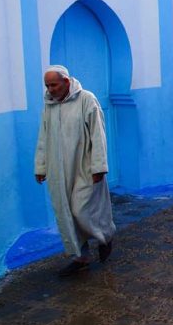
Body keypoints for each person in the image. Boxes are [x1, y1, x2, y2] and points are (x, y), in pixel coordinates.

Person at [34, 65, 116, 276]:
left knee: (81, 210)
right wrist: (41, 166)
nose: (50, 89)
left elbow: (98, 134)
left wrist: (99, 166)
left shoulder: (87, 99)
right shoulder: (49, 106)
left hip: (84, 167)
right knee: (66, 213)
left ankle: (105, 236)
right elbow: (43, 138)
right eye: (47, 85)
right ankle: (81, 257)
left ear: (66, 82)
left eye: (54, 84)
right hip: (58, 171)